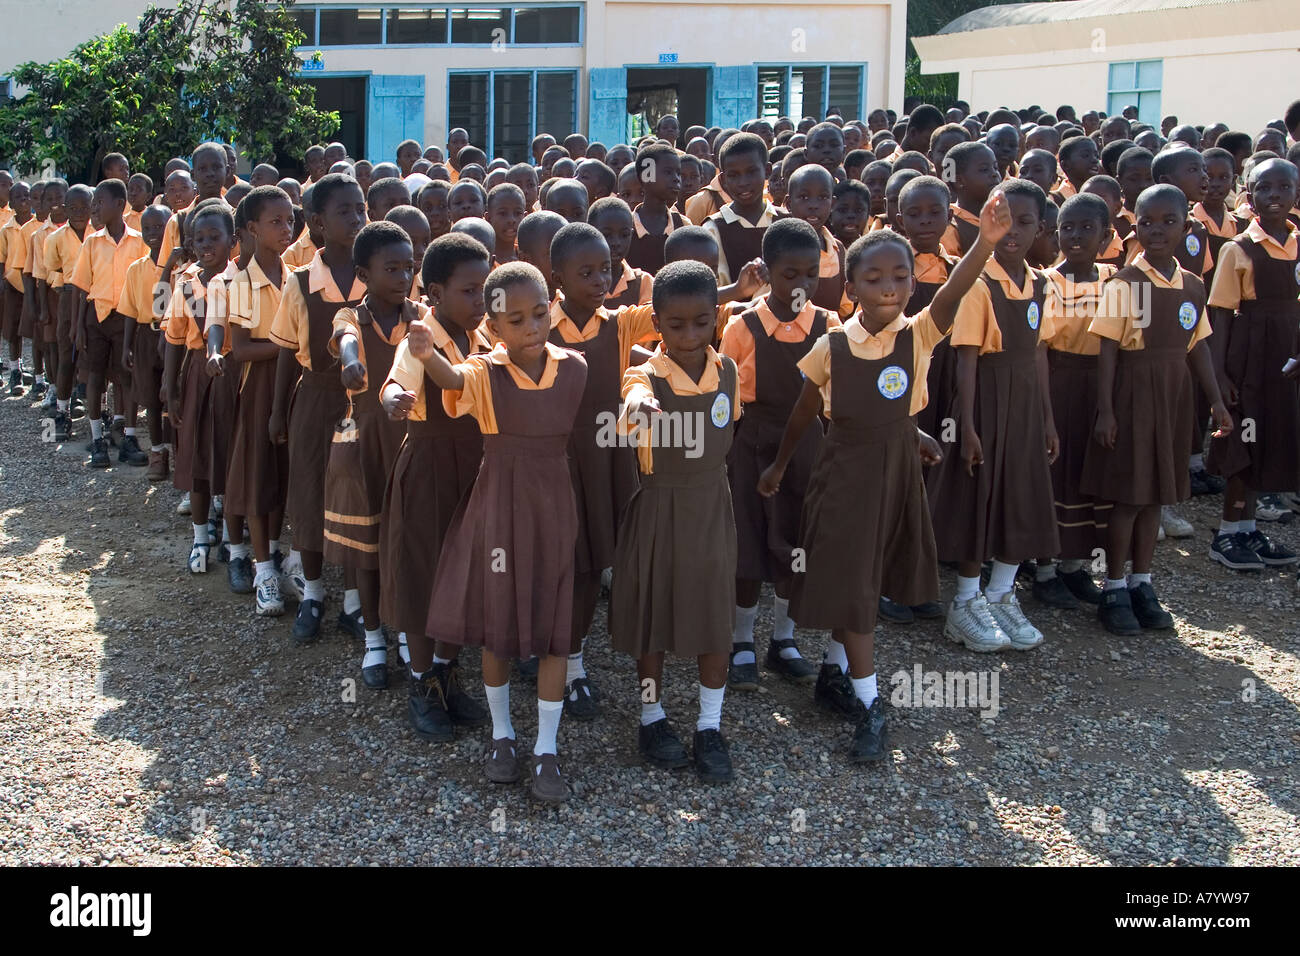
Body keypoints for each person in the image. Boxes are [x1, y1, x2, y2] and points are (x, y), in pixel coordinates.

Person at [757, 191, 1013, 761]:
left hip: (897, 471)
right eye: (873, 279)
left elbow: (952, 294)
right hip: (845, 474)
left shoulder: (918, 335)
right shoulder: (831, 346)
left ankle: (833, 675)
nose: (890, 287)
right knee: (850, 581)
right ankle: (875, 706)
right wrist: (777, 466)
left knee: (866, 579)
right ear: (850, 288)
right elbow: (804, 410)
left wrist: (984, 243)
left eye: (900, 276)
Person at [406, 261, 588, 803]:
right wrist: (426, 353)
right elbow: (453, 380)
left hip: (553, 506)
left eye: (539, 314)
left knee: (556, 626)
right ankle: (502, 735)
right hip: (499, 507)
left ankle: (547, 748)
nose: (531, 327)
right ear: (494, 324)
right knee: (497, 624)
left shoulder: (574, 367)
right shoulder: (485, 371)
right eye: (515, 320)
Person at [1081, 184, 1232, 632]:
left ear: (1187, 226)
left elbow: (1198, 347)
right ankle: (1114, 587)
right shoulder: (1126, 283)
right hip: (1133, 393)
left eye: (1168, 221)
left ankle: (1142, 581)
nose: (1156, 230)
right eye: (1146, 221)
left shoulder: (1192, 284)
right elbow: (1107, 348)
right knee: (1129, 495)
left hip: (1173, 396)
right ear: (1135, 227)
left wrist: (1218, 402)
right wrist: (1106, 409)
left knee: (1156, 497)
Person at [611, 260, 740, 781]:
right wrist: (641, 408)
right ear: (656, 325)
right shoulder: (643, 374)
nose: (690, 335)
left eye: (702, 322)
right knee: (653, 617)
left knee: (714, 617)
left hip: (711, 506)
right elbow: (633, 397)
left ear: (716, 318)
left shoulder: (727, 371)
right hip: (660, 507)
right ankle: (652, 715)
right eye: (675, 325)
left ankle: (710, 726)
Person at [929, 180, 1059, 653]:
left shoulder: (1043, 284)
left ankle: (1002, 592)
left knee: (1021, 493)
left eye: (1024, 223)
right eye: (1003, 222)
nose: (1012, 232)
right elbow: (965, 357)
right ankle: (965, 603)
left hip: (1024, 403)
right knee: (978, 498)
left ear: (1041, 228)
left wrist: (1046, 418)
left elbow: (1040, 354)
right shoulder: (978, 285)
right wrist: (967, 425)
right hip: (986, 398)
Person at [379, 233, 493, 740]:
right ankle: (422, 682)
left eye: (485, 290)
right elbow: (395, 381)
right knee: (424, 572)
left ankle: (449, 673)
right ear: (436, 292)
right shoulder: (419, 337)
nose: (480, 302)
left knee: (463, 574)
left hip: (475, 467)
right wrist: (394, 399)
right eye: (468, 292)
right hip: (429, 466)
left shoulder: (485, 335)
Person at [721, 218, 837, 690]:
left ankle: (783, 639)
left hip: (808, 446)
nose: (802, 285)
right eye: (790, 274)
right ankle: (741, 639)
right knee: (747, 546)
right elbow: (725, 402)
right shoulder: (741, 326)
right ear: (767, 272)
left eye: (812, 274)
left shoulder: (830, 326)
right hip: (751, 445)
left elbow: (835, 397)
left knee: (797, 542)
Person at [268, 173, 367, 644]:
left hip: (364, 402)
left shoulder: (379, 274)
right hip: (315, 396)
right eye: (343, 211)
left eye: (361, 208)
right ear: (316, 223)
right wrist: (275, 411)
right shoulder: (302, 282)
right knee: (308, 491)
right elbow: (287, 349)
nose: (356, 218)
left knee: (356, 494)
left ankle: (353, 600)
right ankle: (312, 592)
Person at [326, 221, 414, 687]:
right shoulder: (350, 318)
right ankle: (374, 639)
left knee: (403, 542)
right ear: (364, 272)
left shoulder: (421, 319)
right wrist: (352, 361)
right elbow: (345, 342)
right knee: (367, 549)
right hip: (363, 444)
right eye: (391, 268)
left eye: (409, 268)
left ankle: (405, 633)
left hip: (408, 445)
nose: (403, 278)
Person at [1205, 159, 1300, 573]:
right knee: (1245, 438)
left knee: (1271, 441)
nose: (1274, 196)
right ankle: (1228, 531)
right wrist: (1222, 374)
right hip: (1250, 359)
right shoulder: (1238, 249)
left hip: (1287, 360)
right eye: (1265, 188)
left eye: (1284, 187)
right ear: (1249, 194)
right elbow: (1222, 314)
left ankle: (1249, 528)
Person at [210, 186, 296, 614]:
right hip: (259, 386)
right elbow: (240, 348)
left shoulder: (297, 276)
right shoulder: (242, 283)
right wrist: (289, 346)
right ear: (250, 229)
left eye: (289, 221)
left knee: (283, 477)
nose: (286, 229)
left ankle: (276, 555)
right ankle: (262, 570)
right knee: (259, 475)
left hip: (293, 383)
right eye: (275, 222)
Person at [1033, 193, 1115, 609]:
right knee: (1055, 472)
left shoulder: (1115, 280)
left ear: (1108, 235)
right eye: (1067, 228)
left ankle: (1074, 566)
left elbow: (1123, 345)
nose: (1076, 236)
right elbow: (1040, 351)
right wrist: (1047, 417)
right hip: (1057, 385)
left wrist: (1111, 405)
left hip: (1099, 388)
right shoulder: (1044, 283)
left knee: (1089, 473)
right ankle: (1044, 570)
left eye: (1088, 228)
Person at [163, 200, 239, 572]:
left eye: (215, 237)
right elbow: (174, 340)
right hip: (197, 372)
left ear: (232, 241)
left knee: (228, 450)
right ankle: (198, 536)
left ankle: (227, 532)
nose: (206, 245)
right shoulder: (186, 283)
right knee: (196, 455)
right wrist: (170, 389)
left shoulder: (241, 281)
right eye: (199, 239)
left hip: (233, 373)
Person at [69, 178, 150, 468]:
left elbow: (143, 283)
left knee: (125, 378)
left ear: (119, 205)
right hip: (97, 317)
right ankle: (97, 439)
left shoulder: (139, 241)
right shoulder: (92, 242)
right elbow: (81, 287)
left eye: (99, 202)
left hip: (128, 319)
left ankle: (128, 437)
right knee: (95, 377)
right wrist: (77, 327)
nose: (94, 208)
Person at [117, 204, 173, 481]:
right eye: (147, 228)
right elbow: (129, 311)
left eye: (159, 227)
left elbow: (167, 307)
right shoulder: (136, 268)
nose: (153, 233)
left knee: (172, 395)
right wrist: (127, 345)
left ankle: (179, 454)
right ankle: (157, 453)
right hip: (145, 335)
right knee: (151, 399)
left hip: (172, 335)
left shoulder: (178, 267)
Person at [44, 185, 92, 441]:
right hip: (68, 296)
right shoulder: (55, 238)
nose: (79, 213)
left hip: (96, 297)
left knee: (97, 359)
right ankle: (62, 411)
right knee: (66, 354)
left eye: (84, 207)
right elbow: (53, 269)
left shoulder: (98, 235)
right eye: (72, 208)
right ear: (65, 208)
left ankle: (102, 412)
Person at [702, 133, 778, 287]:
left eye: (751, 172)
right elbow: (708, 294)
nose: (743, 182)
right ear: (723, 180)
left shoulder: (785, 221)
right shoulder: (713, 229)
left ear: (768, 171)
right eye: (733, 175)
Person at [782, 164, 847, 311]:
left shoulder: (838, 250)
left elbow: (844, 307)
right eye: (804, 197)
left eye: (823, 197)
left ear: (833, 204)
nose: (813, 205)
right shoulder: (778, 249)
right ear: (788, 204)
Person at [625, 142, 684, 275]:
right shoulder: (626, 225)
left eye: (678, 173)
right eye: (668, 172)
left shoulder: (682, 224)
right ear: (647, 175)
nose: (676, 179)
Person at [589, 197, 652, 309]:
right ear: (590, 233)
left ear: (631, 235)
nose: (616, 243)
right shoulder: (579, 284)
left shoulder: (643, 283)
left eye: (624, 235)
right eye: (607, 235)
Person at [939, 142, 1000, 257]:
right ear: (959, 181)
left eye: (995, 167)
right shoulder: (950, 228)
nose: (994, 174)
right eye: (984, 169)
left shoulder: (1003, 215)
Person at [484, 182, 526, 265]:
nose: (511, 220)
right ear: (488, 218)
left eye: (517, 213)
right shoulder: (483, 262)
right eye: (503, 213)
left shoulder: (528, 258)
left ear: (525, 217)